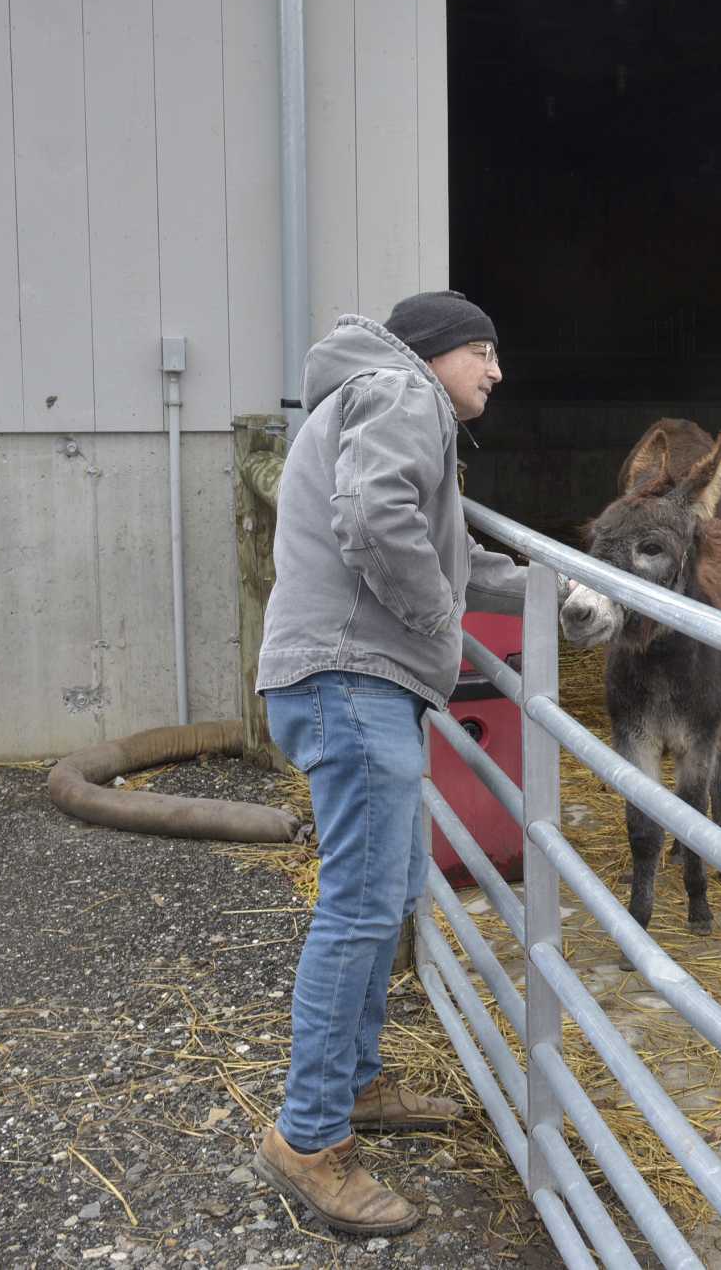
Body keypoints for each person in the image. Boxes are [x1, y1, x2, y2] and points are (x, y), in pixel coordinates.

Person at [250, 291, 523, 1236]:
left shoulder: (371, 402)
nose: (494, 372)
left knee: (392, 885)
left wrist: (545, 587)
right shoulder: (404, 398)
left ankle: (355, 1087)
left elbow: (435, 548)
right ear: (437, 354)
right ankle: (309, 1137)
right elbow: (375, 522)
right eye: (482, 352)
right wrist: (444, 628)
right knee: (360, 905)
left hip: (348, 677)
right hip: (352, 677)